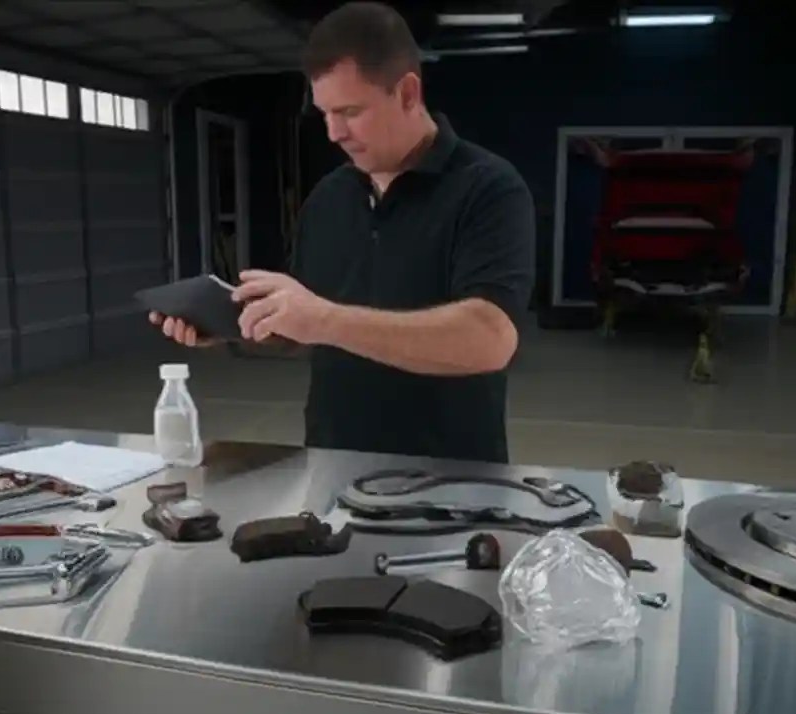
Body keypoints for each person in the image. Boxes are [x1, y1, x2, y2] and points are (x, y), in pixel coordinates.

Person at [150, 1, 535, 463]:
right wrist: (239, 324)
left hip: (452, 478)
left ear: (408, 93)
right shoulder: (329, 197)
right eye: (325, 113)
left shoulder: (488, 187)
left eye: (350, 111)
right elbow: (309, 327)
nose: (334, 132)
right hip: (333, 471)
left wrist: (323, 319)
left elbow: (489, 339)